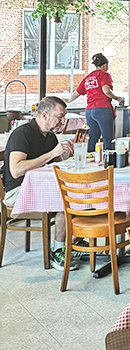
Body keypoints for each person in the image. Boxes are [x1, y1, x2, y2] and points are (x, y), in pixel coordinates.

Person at [2, 96, 76, 270]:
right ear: (44, 115)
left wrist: (64, 155)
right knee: (65, 199)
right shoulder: (23, 134)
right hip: (16, 191)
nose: (62, 121)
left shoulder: (49, 136)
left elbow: (55, 162)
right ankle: (58, 251)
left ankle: (71, 244)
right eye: (59, 116)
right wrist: (51, 155)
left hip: (40, 186)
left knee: (75, 192)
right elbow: (16, 170)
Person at [67, 52, 124, 151]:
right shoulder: (105, 75)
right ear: (105, 65)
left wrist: (68, 100)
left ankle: (90, 161)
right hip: (102, 110)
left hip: (89, 111)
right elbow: (106, 91)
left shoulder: (88, 77)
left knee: (93, 139)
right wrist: (117, 98)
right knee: (107, 139)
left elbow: (77, 92)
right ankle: (108, 163)